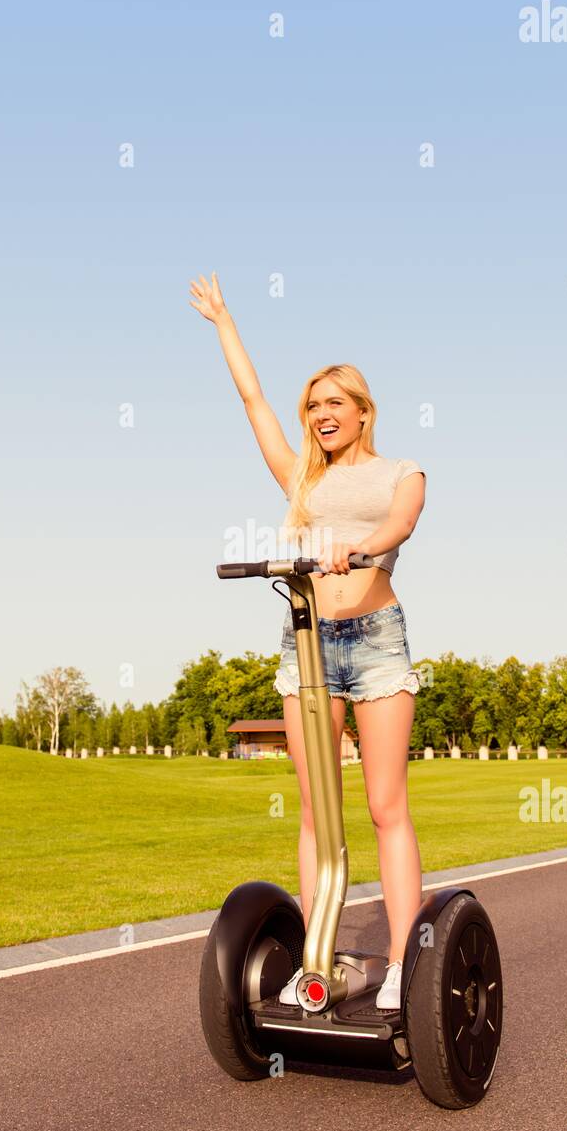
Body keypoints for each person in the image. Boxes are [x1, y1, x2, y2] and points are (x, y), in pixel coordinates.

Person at [190, 271, 427, 1010]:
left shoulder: (401, 472)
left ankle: (399, 968)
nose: (321, 414)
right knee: (315, 809)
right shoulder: (298, 479)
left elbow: (399, 526)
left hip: (377, 642)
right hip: (309, 646)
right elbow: (251, 400)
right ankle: (315, 957)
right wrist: (224, 321)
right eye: (313, 406)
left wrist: (355, 552)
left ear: (362, 413)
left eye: (335, 403)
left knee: (385, 804)